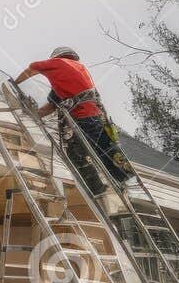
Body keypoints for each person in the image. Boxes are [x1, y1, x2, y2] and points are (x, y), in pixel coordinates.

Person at [14, 46, 132, 196]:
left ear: (56, 57)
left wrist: (14, 84)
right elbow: (51, 107)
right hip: (98, 119)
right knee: (106, 151)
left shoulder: (59, 63)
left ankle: (97, 190)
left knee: (76, 153)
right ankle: (126, 181)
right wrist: (31, 115)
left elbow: (32, 68)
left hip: (84, 118)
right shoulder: (76, 74)